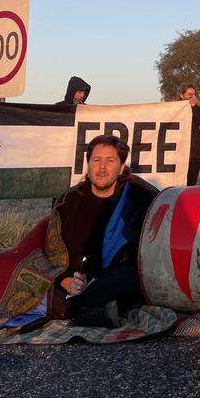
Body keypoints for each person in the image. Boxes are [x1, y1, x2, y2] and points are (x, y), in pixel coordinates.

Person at [51, 134, 158, 323]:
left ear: (122, 167)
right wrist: (65, 280)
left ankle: (85, 308)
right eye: (96, 160)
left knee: (129, 279)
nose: (102, 168)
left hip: (121, 275)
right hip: (79, 279)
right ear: (88, 164)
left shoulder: (140, 197)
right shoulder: (69, 202)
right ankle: (90, 308)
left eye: (110, 161)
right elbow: (52, 250)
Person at [180, 84, 200, 185]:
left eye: (194, 94)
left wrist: (194, 106)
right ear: (182, 96)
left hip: (194, 154)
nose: (192, 97)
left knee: (191, 184)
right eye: (189, 94)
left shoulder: (196, 109)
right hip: (180, 154)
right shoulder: (175, 110)